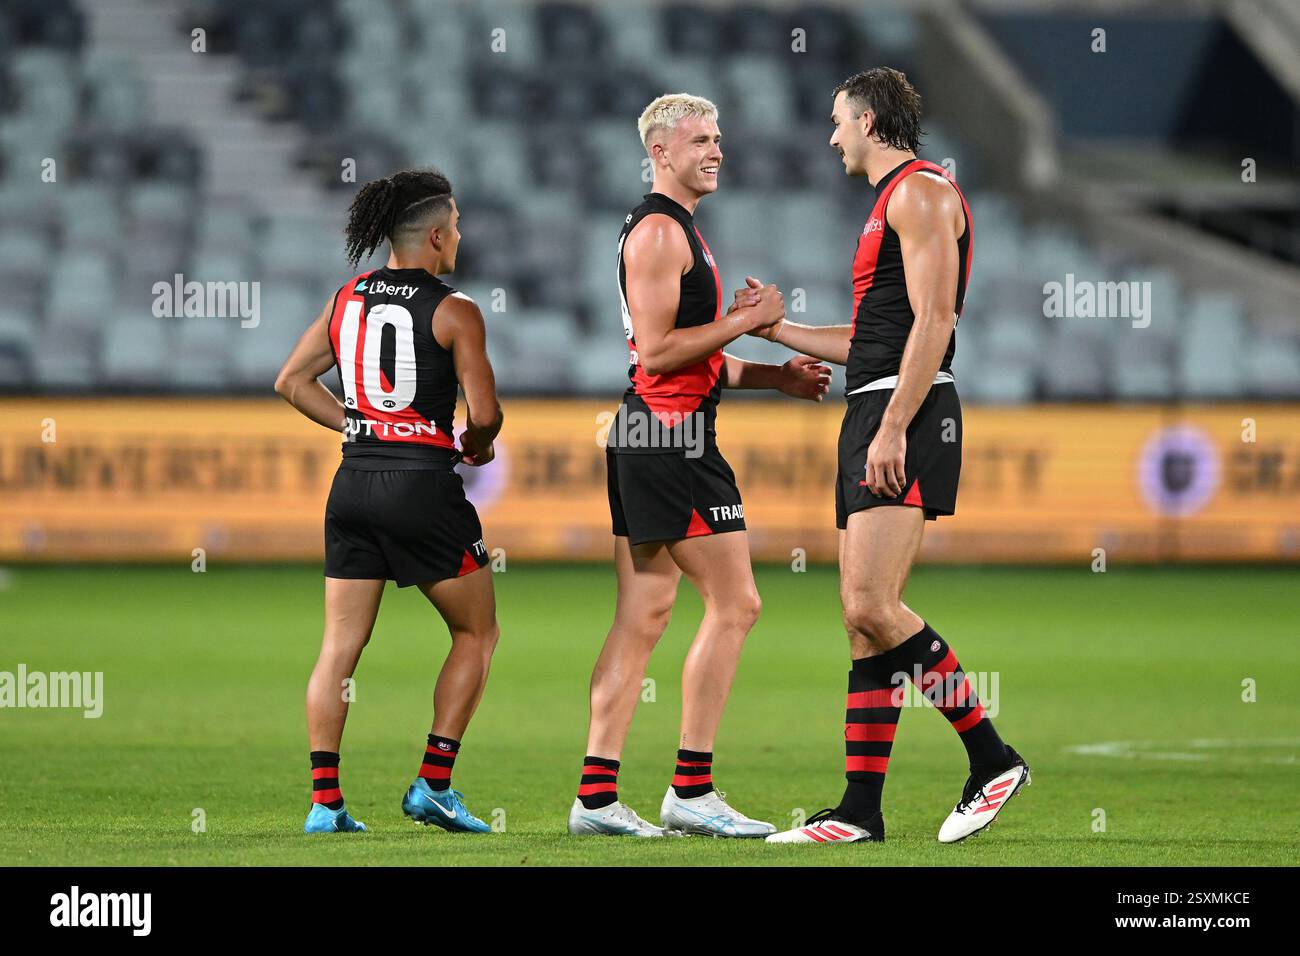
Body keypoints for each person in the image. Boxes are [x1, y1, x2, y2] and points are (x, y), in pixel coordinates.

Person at [761, 69, 1030, 845]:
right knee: (862, 626)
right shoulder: (892, 203)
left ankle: (992, 758)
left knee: (872, 607)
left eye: (838, 120)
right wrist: (774, 332)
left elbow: (937, 320)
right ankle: (859, 812)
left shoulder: (920, 193)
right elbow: (869, 339)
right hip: (875, 403)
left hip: (902, 413)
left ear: (871, 121)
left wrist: (892, 427)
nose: (832, 136)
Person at [569, 94, 832, 838]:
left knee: (644, 615)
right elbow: (657, 354)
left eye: (719, 138)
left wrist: (775, 376)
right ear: (659, 152)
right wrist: (749, 322)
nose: (716, 151)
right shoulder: (659, 233)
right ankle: (692, 788)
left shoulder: (675, 230)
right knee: (737, 603)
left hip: (654, 432)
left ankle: (595, 799)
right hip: (670, 439)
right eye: (700, 140)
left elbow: (691, 358)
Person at [275, 168, 503, 835]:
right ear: (435, 235)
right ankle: (434, 783)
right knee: (477, 632)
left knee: (339, 648)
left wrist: (362, 423)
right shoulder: (456, 309)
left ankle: (325, 804)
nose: (459, 234)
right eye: (455, 224)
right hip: (421, 486)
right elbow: (484, 414)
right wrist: (477, 443)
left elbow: (291, 381)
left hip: (352, 485)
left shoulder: (347, 298)